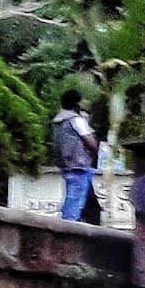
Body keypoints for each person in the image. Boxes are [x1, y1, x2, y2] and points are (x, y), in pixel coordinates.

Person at [52, 89, 98, 222]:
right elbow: (91, 143)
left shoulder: (58, 121)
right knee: (74, 203)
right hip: (80, 166)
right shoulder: (76, 120)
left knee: (90, 205)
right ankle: (68, 232)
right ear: (77, 104)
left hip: (66, 164)